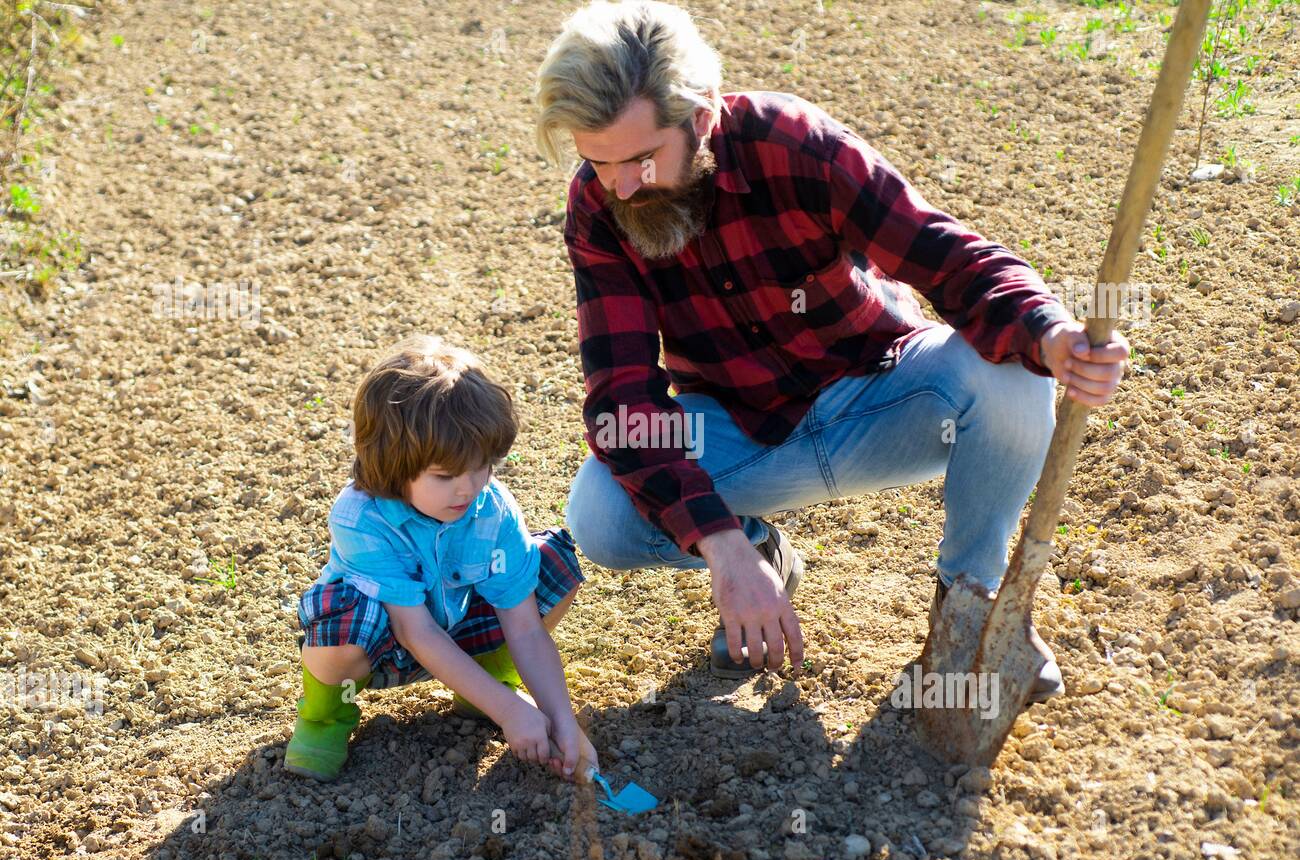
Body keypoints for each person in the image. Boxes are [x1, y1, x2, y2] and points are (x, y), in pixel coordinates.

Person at [536, 1, 1130, 697]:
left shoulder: (792, 143)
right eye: (598, 162)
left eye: (641, 158)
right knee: (601, 511)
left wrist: (1051, 333)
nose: (622, 186)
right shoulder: (600, 208)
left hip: (882, 396)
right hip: (742, 432)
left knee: (1013, 371)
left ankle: (970, 605)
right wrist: (721, 543)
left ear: (701, 115)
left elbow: (945, 254)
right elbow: (624, 401)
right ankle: (759, 551)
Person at [285, 335, 597, 782]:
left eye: (482, 466)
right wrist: (510, 712)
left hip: (460, 632)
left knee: (550, 566)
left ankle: (486, 686)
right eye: (445, 475)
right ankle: (325, 717)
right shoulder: (362, 518)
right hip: (388, 649)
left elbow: (525, 627)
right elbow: (416, 632)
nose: (468, 488)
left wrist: (563, 722)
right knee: (342, 627)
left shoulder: (492, 510)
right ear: (393, 465)